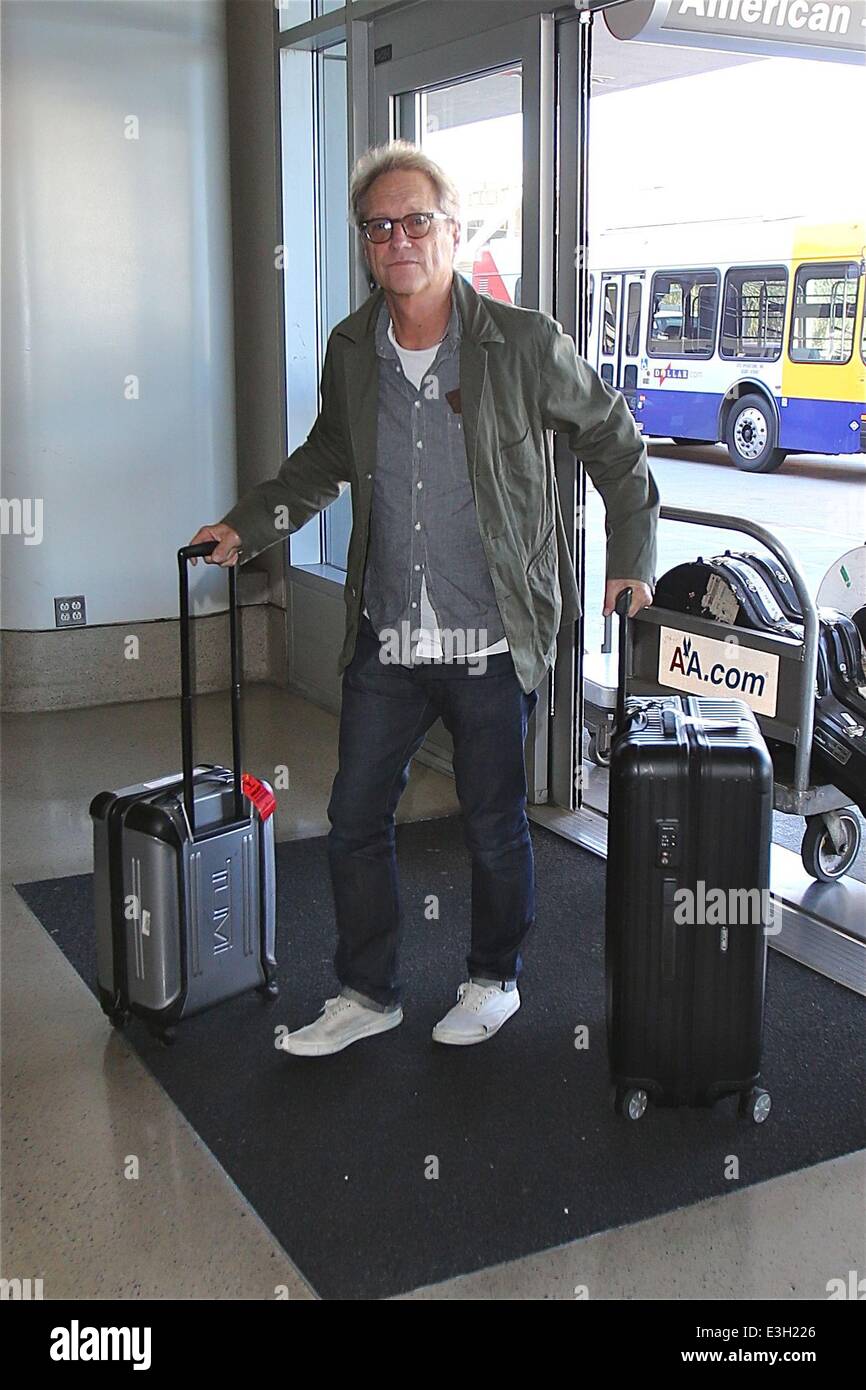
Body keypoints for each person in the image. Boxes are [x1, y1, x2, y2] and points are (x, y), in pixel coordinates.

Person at [188, 140, 659, 1056]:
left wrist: (630, 555)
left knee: (491, 821)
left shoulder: (523, 345)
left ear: (450, 230)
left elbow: (614, 439)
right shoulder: (353, 348)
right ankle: (369, 993)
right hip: (387, 638)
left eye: (416, 221)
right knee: (356, 818)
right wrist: (249, 525)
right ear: (367, 245)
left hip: (492, 638)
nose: (398, 238)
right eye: (379, 226)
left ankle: (494, 978)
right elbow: (324, 462)